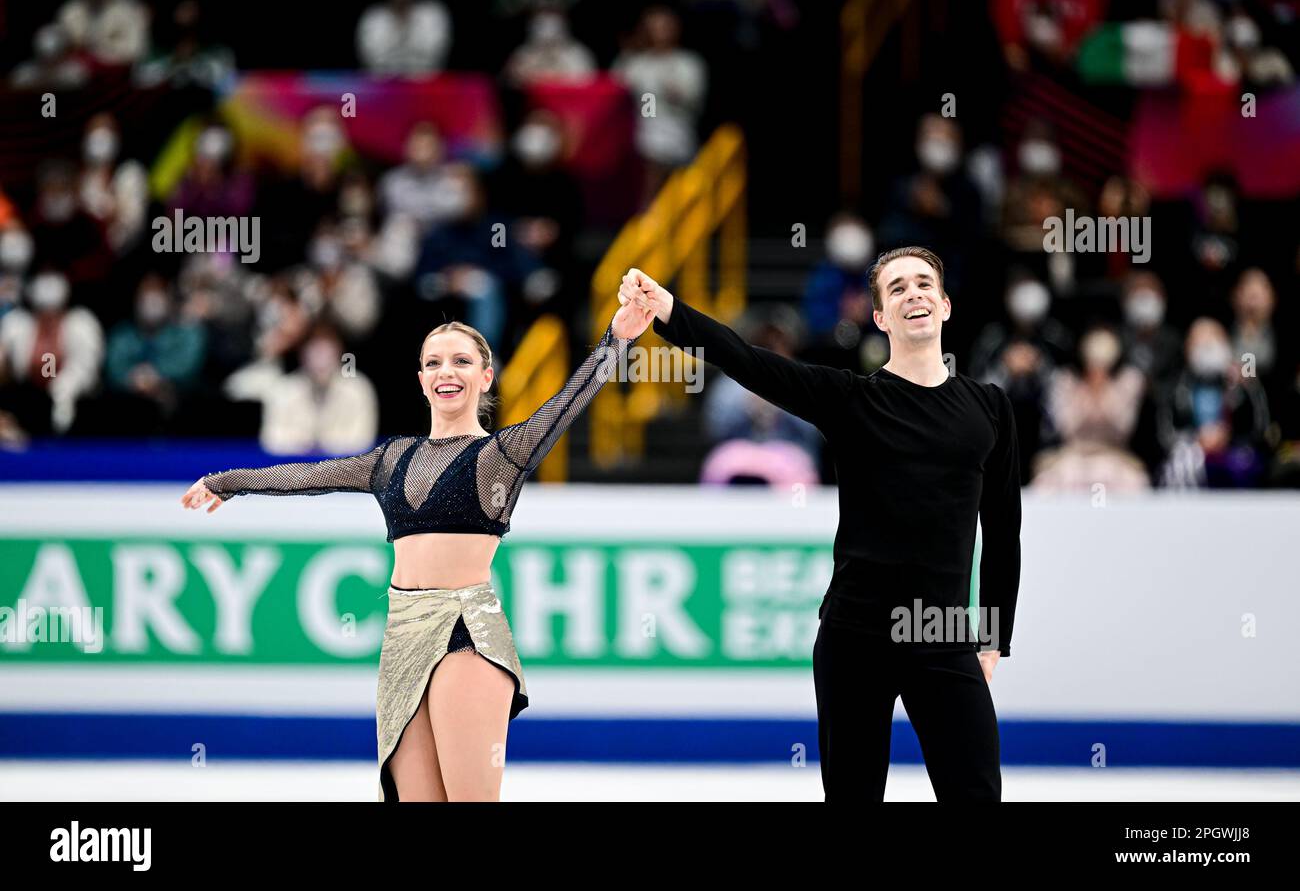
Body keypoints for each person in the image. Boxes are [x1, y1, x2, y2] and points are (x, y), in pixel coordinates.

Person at [180, 300, 655, 800]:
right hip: (401, 635)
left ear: (486, 376)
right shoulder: (391, 458)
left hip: (465, 633)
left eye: (461, 361)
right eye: (433, 362)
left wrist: (616, 339)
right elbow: (308, 475)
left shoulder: (500, 456)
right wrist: (228, 482)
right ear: (421, 378)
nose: (445, 372)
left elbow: (566, 404)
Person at [619, 247, 1021, 802]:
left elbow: (1003, 529)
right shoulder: (851, 400)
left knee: (976, 792)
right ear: (879, 317)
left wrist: (994, 637)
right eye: (897, 288)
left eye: (924, 283)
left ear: (946, 304)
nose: (914, 294)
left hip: (943, 632)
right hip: (857, 633)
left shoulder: (991, 407)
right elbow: (748, 360)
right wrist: (669, 310)